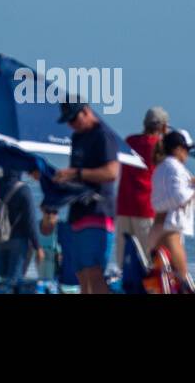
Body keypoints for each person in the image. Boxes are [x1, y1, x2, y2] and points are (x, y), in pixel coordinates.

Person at [52, 101, 121, 293]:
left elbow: (111, 172)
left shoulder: (103, 135)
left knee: (94, 271)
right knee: (80, 272)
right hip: (78, 212)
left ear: (86, 111)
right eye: (68, 121)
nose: (72, 124)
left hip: (98, 212)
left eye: (74, 118)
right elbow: (75, 174)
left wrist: (77, 173)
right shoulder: (77, 137)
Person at [116, 106, 168, 265]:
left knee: (124, 258)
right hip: (146, 207)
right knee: (148, 259)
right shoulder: (159, 146)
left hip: (124, 204)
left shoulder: (130, 141)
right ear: (163, 127)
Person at [148, 129, 195, 291]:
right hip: (171, 227)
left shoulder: (161, 167)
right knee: (181, 277)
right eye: (187, 150)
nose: (188, 155)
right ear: (178, 149)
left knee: (162, 280)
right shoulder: (174, 167)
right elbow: (179, 197)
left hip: (159, 226)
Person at [0, 167, 45, 286]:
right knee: (14, 282)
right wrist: (37, 246)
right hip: (18, 240)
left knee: (0, 282)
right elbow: (30, 221)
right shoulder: (23, 190)